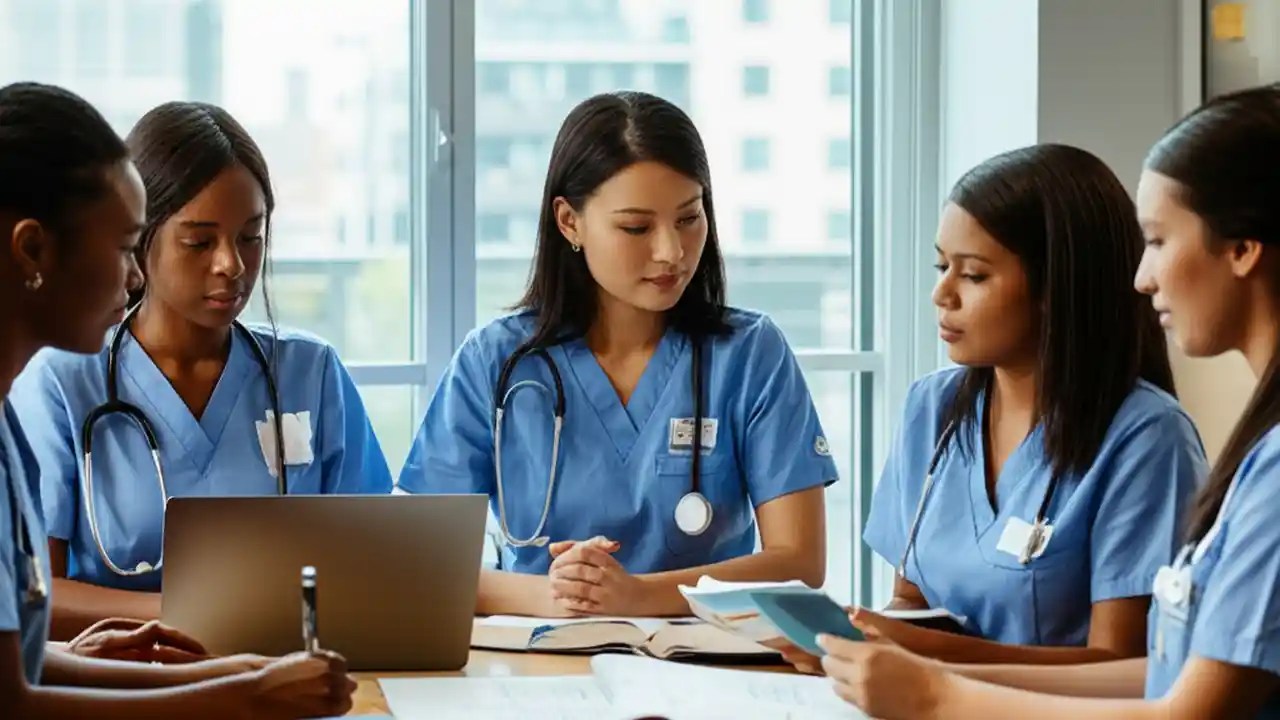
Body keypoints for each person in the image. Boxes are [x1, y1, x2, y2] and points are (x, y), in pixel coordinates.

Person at [818, 83, 1280, 719]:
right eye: (940, 267)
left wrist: (934, 689)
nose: (1142, 278)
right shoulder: (936, 406)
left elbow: (1180, 705)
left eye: (1160, 241)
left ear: (1241, 250)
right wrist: (894, 657)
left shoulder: (1176, 443)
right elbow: (1159, 679)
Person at [398, 91, 838, 617]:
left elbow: (800, 563)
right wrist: (557, 594)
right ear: (569, 222)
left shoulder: (750, 355)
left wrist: (640, 596)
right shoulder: (495, 362)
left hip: (706, 662)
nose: (671, 252)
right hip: (538, 662)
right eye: (636, 227)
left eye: (689, 218)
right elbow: (419, 562)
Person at [0, 80, 353, 718]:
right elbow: (13, 692)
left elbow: (19, 658)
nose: (132, 275)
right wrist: (241, 691)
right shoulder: (51, 390)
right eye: (122, 247)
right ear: (32, 250)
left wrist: (235, 677)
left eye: (252, 236)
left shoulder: (309, 368)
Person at [803, 144, 1205, 669]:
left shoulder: (1148, 438)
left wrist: (916, 655)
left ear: (1055, 287)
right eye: (940, 265)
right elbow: (912, 603)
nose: (941, 293)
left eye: (972, 275)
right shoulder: (933, 408)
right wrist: (847, 642)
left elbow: (1120, 666)